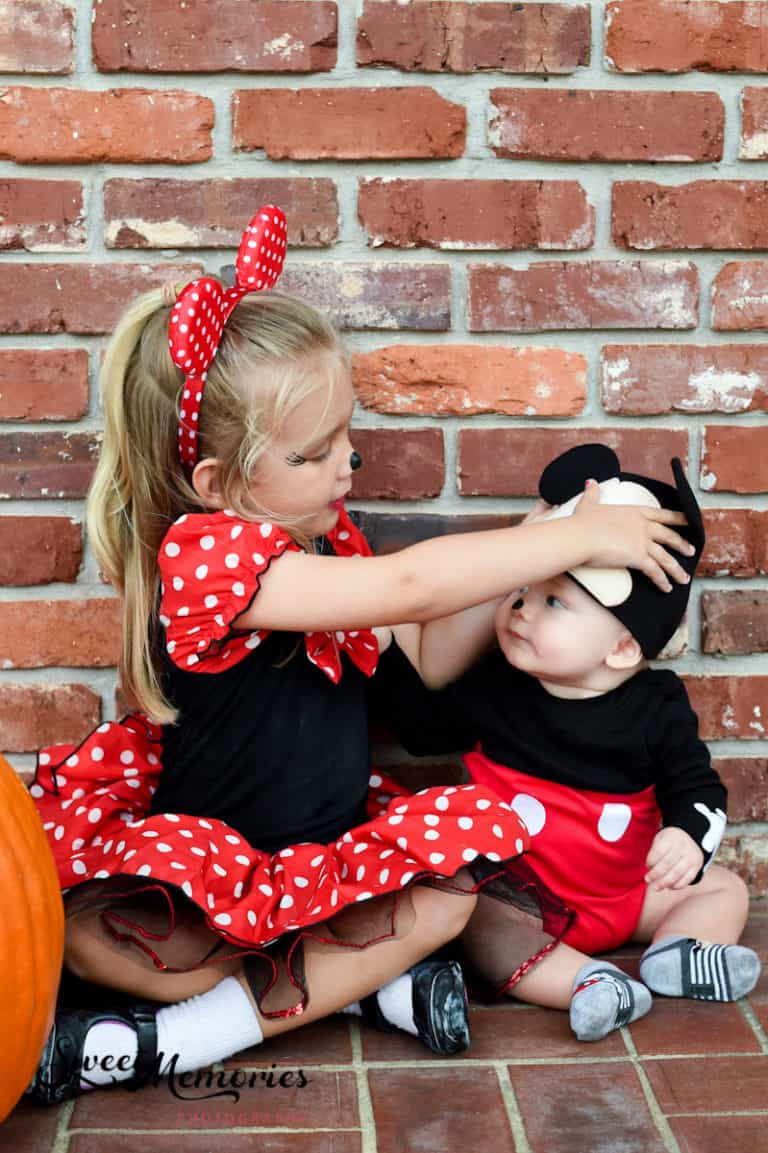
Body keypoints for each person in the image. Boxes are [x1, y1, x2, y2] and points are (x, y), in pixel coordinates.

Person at [25, 211, 696, 1104]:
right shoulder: (205, 558)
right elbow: (412, 587)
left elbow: (430, 647)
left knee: (452, 895)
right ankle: (191, 1037)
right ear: (222, 484)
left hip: (326, 860)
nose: (347, 464)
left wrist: (544, 535)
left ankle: (320, 993)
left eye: (346, 434)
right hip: (220, 876)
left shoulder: (324, 538)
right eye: (314, 453)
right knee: (97, 939)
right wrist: (570, 538)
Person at [376, 443, 761, 1042]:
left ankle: (679, 951)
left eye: (554, 601)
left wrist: (687, 836)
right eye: (523, 593)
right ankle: (586, 983)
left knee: (724, 887)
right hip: (521, 898)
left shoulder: (656, 706)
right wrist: (379, 649)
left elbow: (696, 785)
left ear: (623, 648)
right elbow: (422, 730)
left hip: (627, 893)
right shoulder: (499, 686)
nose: (522, 611)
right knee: (472, 919)